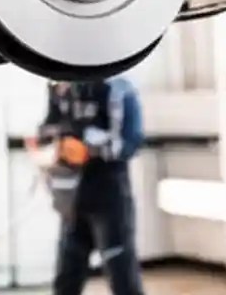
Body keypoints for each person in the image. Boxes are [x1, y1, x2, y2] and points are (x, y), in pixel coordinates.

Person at [36, 76, 145, 295]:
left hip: (109, 196)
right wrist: (54, 143)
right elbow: (46, 129)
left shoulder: (118, 89)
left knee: (121, 273)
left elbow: (130, 143)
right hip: (71, 198)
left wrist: (87, 145)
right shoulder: (59, 85)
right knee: (66, 278)